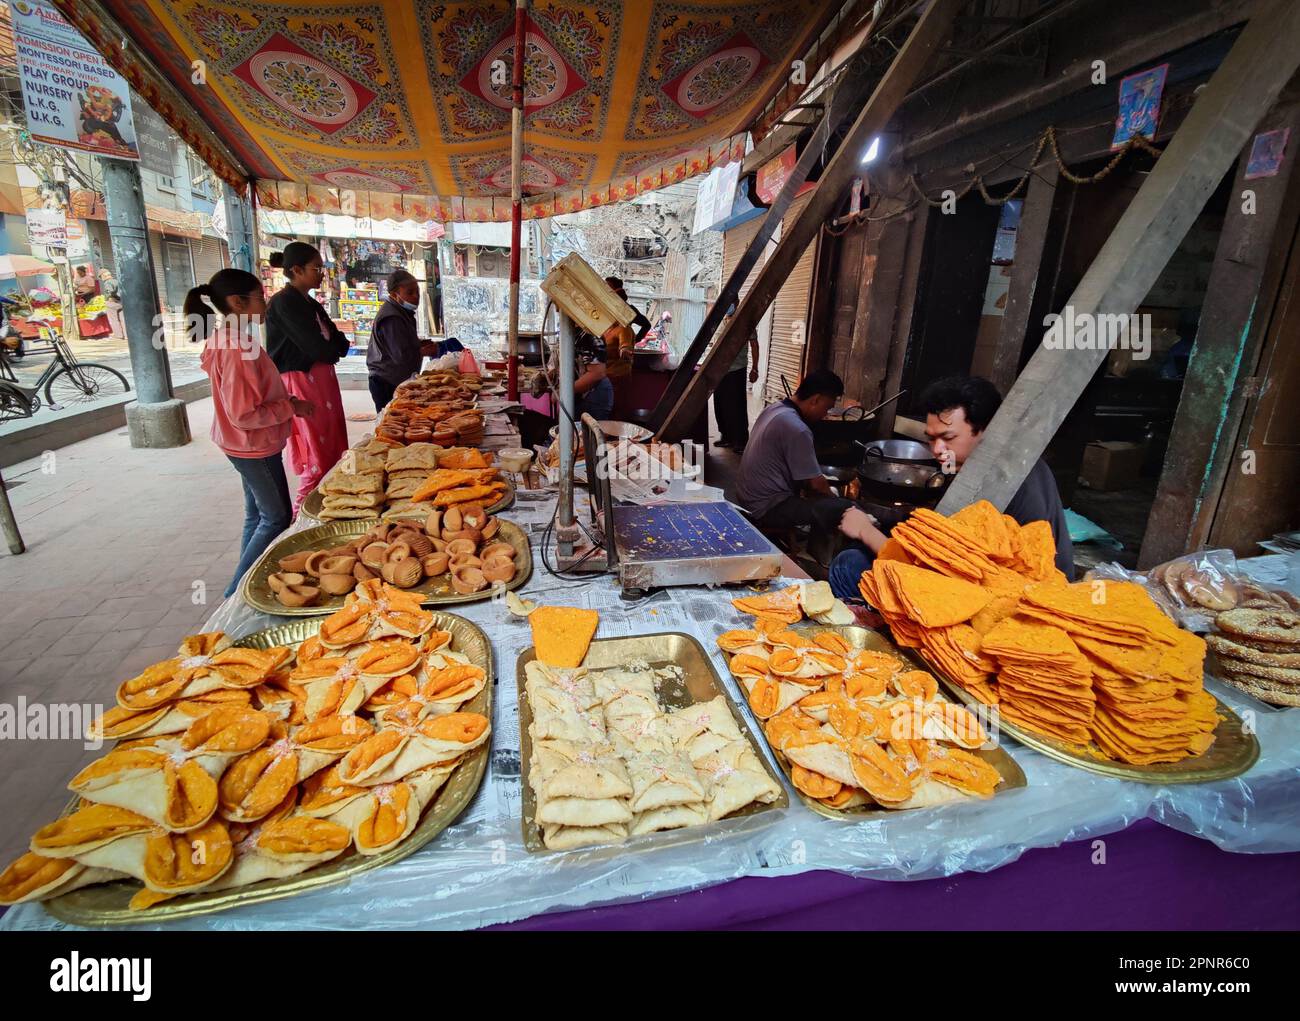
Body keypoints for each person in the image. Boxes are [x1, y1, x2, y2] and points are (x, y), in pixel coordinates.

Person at [828, 375, 1076, 600]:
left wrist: (865, 531)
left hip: (1016, 601)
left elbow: (939, 576)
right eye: (931, 438)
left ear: (988, 431)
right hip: (974, 581)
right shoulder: (986, 462)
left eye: (948, 438)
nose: (937, 450)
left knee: (850, 565)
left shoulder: (1006, 483)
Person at [187, 269, 314, 597]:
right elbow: (244, 413)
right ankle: (236, 593)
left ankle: (242, 586)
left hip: (241, 442)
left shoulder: (231, 339)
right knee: (276, 517)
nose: (266, 301)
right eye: (260, 296)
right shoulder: (236, 348)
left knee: (257, 513)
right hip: (251, 445)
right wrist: (292, 408)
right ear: (237, 302)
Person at [264, 242, 350, 511]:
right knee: (316, 450)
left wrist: (333, 351)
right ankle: (302, 514)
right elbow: (316, 347)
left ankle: (329, 504)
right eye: (317, 268)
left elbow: (338, 341)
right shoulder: (283, 303)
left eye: (322, 268)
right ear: (297, 270)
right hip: (303, 381)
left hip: (323, 380)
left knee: (333, 443)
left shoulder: (310, 302)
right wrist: (331, 352)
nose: (321, 274)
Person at [734, 369, 859, 536]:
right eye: (827, 408)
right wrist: (834, 501)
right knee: (844, 508)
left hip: (745, 497)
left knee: (821, 500)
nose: (825, 415)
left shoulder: (775, 409)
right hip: (766, 508)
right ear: (815, 399)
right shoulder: (797, 428)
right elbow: (816, 483)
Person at [366, 268, 438, 411]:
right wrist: (423, 351)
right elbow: (401, 355)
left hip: (397, 379)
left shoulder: (403, 313)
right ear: (394, 295)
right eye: (410, 293)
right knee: (392, 423)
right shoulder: (392, 317)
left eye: (417, 291)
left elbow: (403, 343)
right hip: (387, 382)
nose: (416, 296)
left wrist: (420, 344)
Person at [712, 305, 759, 451]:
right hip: (719, 369)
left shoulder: (746, 321)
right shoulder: (721, 319)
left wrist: (755, 368)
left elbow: (754, 345)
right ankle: (726, 436)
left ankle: (740, 441)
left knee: (736, 406)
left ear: (737, 302)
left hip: (736, 368)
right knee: (720, 403)